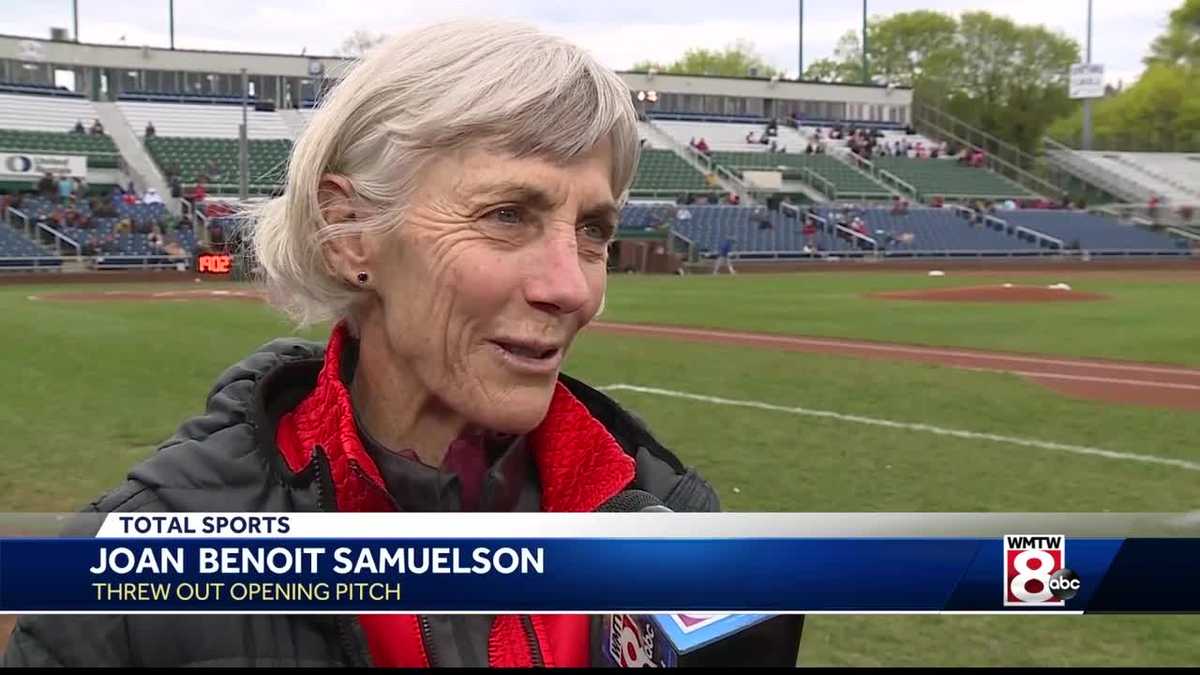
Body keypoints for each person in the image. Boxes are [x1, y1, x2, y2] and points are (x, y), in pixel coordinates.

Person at [3, 19, 733, 669]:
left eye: (594, 231)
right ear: (350, 230)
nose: (571, 287)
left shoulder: (672, 527)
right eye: (508, 214)